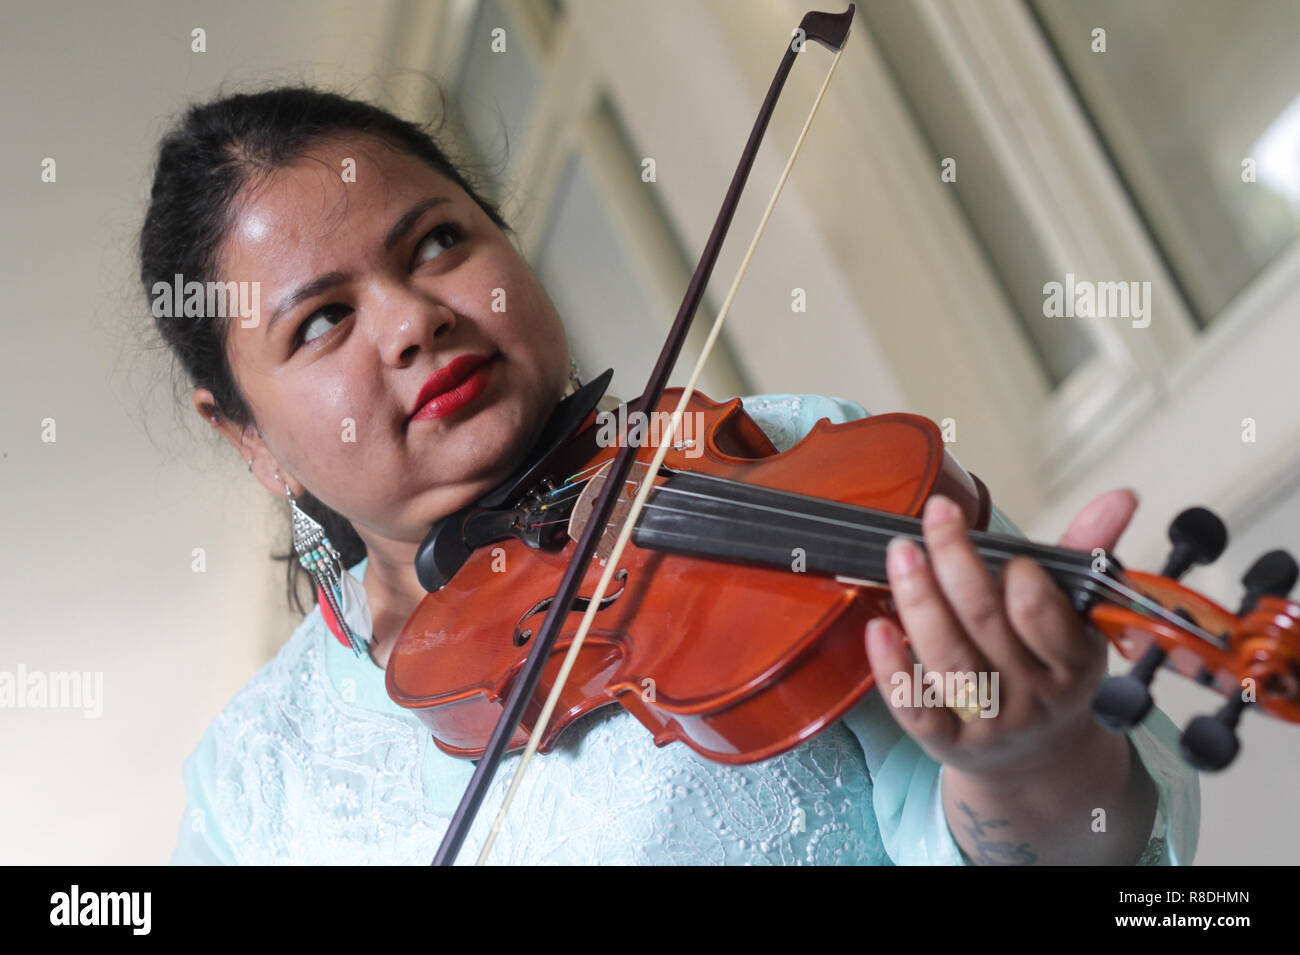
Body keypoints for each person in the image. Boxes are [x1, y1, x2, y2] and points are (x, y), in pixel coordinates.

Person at [142, 86, 1198, 865]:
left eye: (437, 241)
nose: (414, 318)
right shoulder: (248, 779)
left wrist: (1031, 761)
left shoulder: (804, 466)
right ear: (249, 439)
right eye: (324, 319)